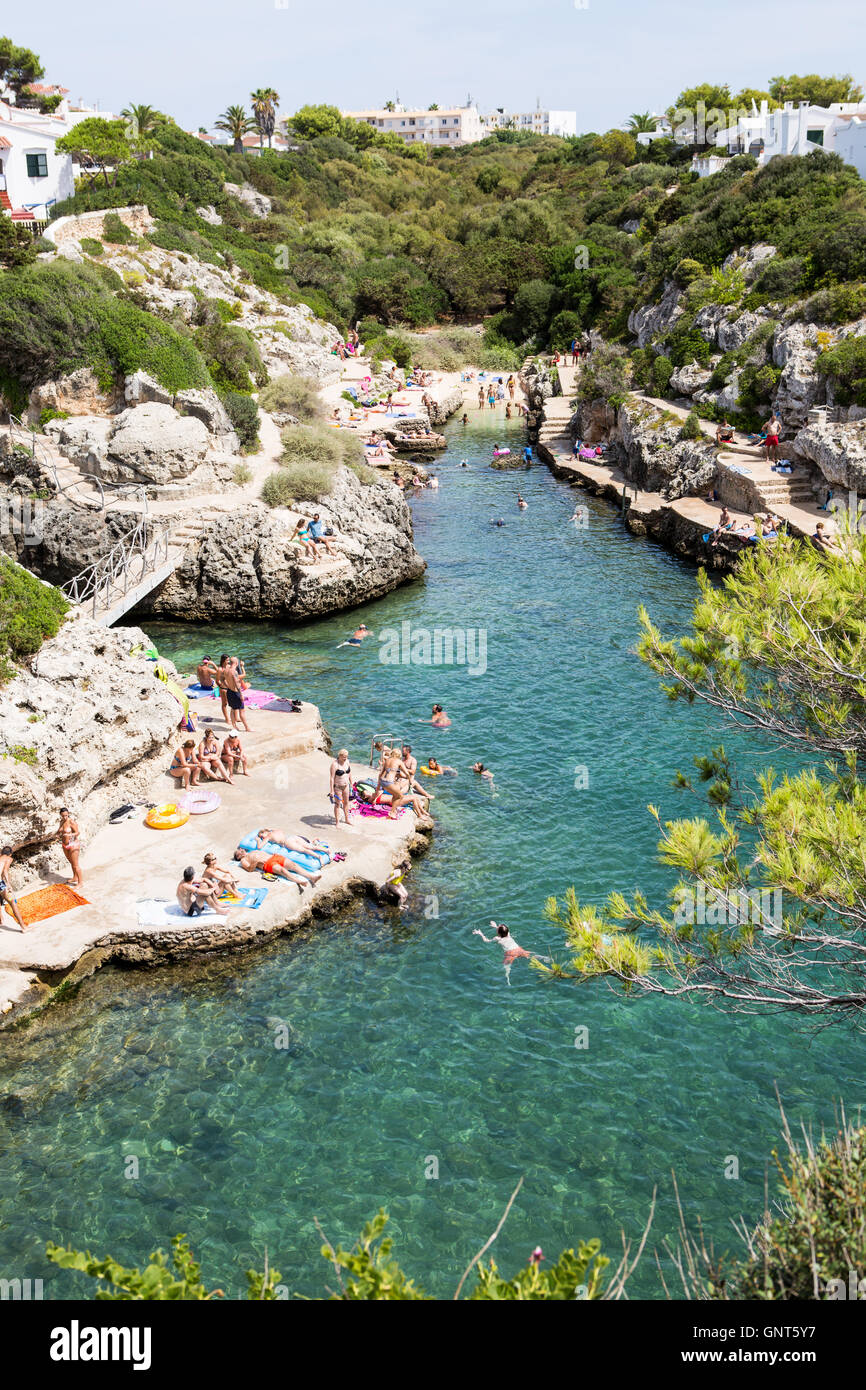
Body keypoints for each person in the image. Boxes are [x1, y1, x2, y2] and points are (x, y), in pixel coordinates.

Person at [473, 920, 550, 985]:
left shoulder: (497, 938)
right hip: (517, 949)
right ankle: (543, 957)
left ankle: (508, 979)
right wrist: (496, 926)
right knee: (530, 955)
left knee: (506, 966)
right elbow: (503, 932)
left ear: (498, 933)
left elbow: (487, 941)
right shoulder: (508, 935)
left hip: (510, 953)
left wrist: (480, 934)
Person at [233, 847, 316, 888]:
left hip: (274, 857)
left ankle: (311, 877)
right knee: (282, 870)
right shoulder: (243, 860)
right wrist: (257, 862)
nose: (241, 850)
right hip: (267, 863)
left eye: (240, 849)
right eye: (238, 852)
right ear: (238, 857)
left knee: (293, 865)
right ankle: (299, 881)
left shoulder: (252, 851)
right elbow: (249, 869)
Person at [0, 846, 26, 932]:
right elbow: (5, 872)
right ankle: (23, 926)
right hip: (0, 884)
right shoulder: (8, 859)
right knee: (13, 903)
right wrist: (8, 885)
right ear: (10, 854)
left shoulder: (0, 858)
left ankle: (1, 920)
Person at [222, 657, 250, 734]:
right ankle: (247, 727)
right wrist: (241, 694)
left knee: (233, 709)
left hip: (229, 692)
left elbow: (222, 679)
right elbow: (237, 685)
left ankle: (234, 726)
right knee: (242, 711)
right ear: (236, 663)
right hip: (235, 692)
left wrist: (227, 686)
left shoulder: (225, 670)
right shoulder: (234, 672)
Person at [57, 808, 83, 888]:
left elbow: (78, 832)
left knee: (75, 865)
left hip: (73, 844)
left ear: (68, 814)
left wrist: (70, 835)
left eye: (66, 815)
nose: (65, 817)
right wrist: (58, 834)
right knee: (71, 862)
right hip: (65, 845)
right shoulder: (61, 822)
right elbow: (60, 831)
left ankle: (80, 883)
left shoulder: (71, 821)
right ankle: (75, 877)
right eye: (63, 816)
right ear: (60, 815)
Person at [330, 748, 354, 826]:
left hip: (346, 786)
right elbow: (332, 778)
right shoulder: (334, 764)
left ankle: (347, 819)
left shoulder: (347, 762)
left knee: (346, 803)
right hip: (338, 787)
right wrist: (331, 791)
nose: (345, 758)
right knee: (337, 804)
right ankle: (337, 822)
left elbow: (349, 773)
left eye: (346, 757)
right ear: (339, 756)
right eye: (344, 757)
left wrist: (351, 783)